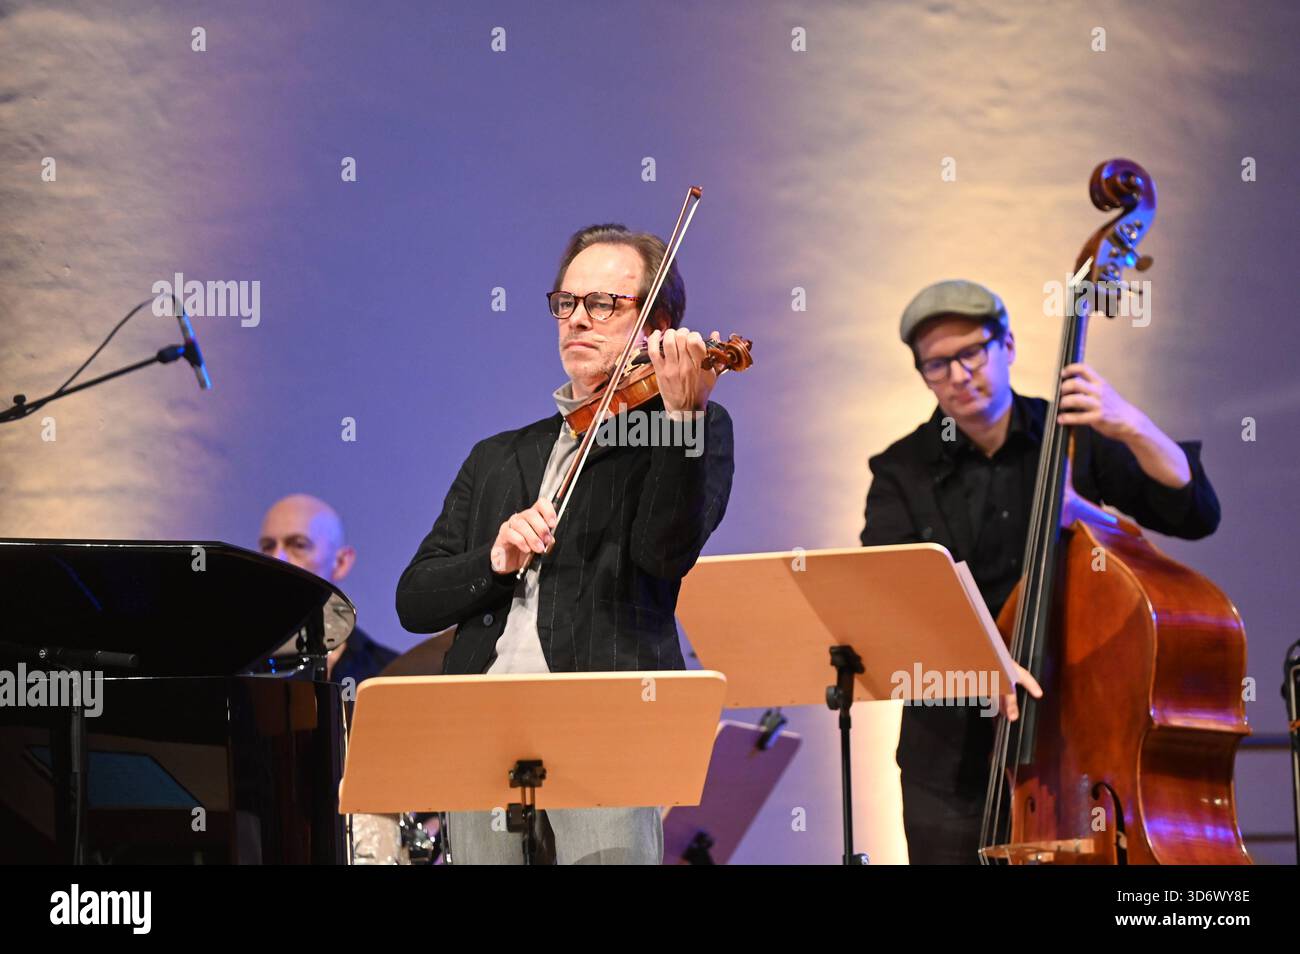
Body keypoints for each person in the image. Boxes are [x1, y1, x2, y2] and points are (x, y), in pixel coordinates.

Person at [396, 223, 734, 865]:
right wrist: (493, 561)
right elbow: (415, 600)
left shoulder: (688, 430)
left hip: (604, 722)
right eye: (567, 302)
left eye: (605, 304)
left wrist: (682, 419)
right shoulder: (498, 456)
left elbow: (664, 554)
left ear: (657, 325)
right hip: (484, 729)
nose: (579, 319)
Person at [860, 279, 1220, 864]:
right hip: (947, 757)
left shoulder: (1076, 436)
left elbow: (1196, 512)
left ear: (1008, 345)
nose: (956, 375)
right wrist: (986, 660)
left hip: (1076, 742)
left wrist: (1130, 423)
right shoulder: (901, 471)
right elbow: (894, 598)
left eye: (971, 352)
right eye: (936, 364)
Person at [257, 493, 398, 685]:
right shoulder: (237, 665)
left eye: (298, 545)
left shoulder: (389, 673)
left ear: (341, 563)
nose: (277, 558)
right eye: (267, 547)